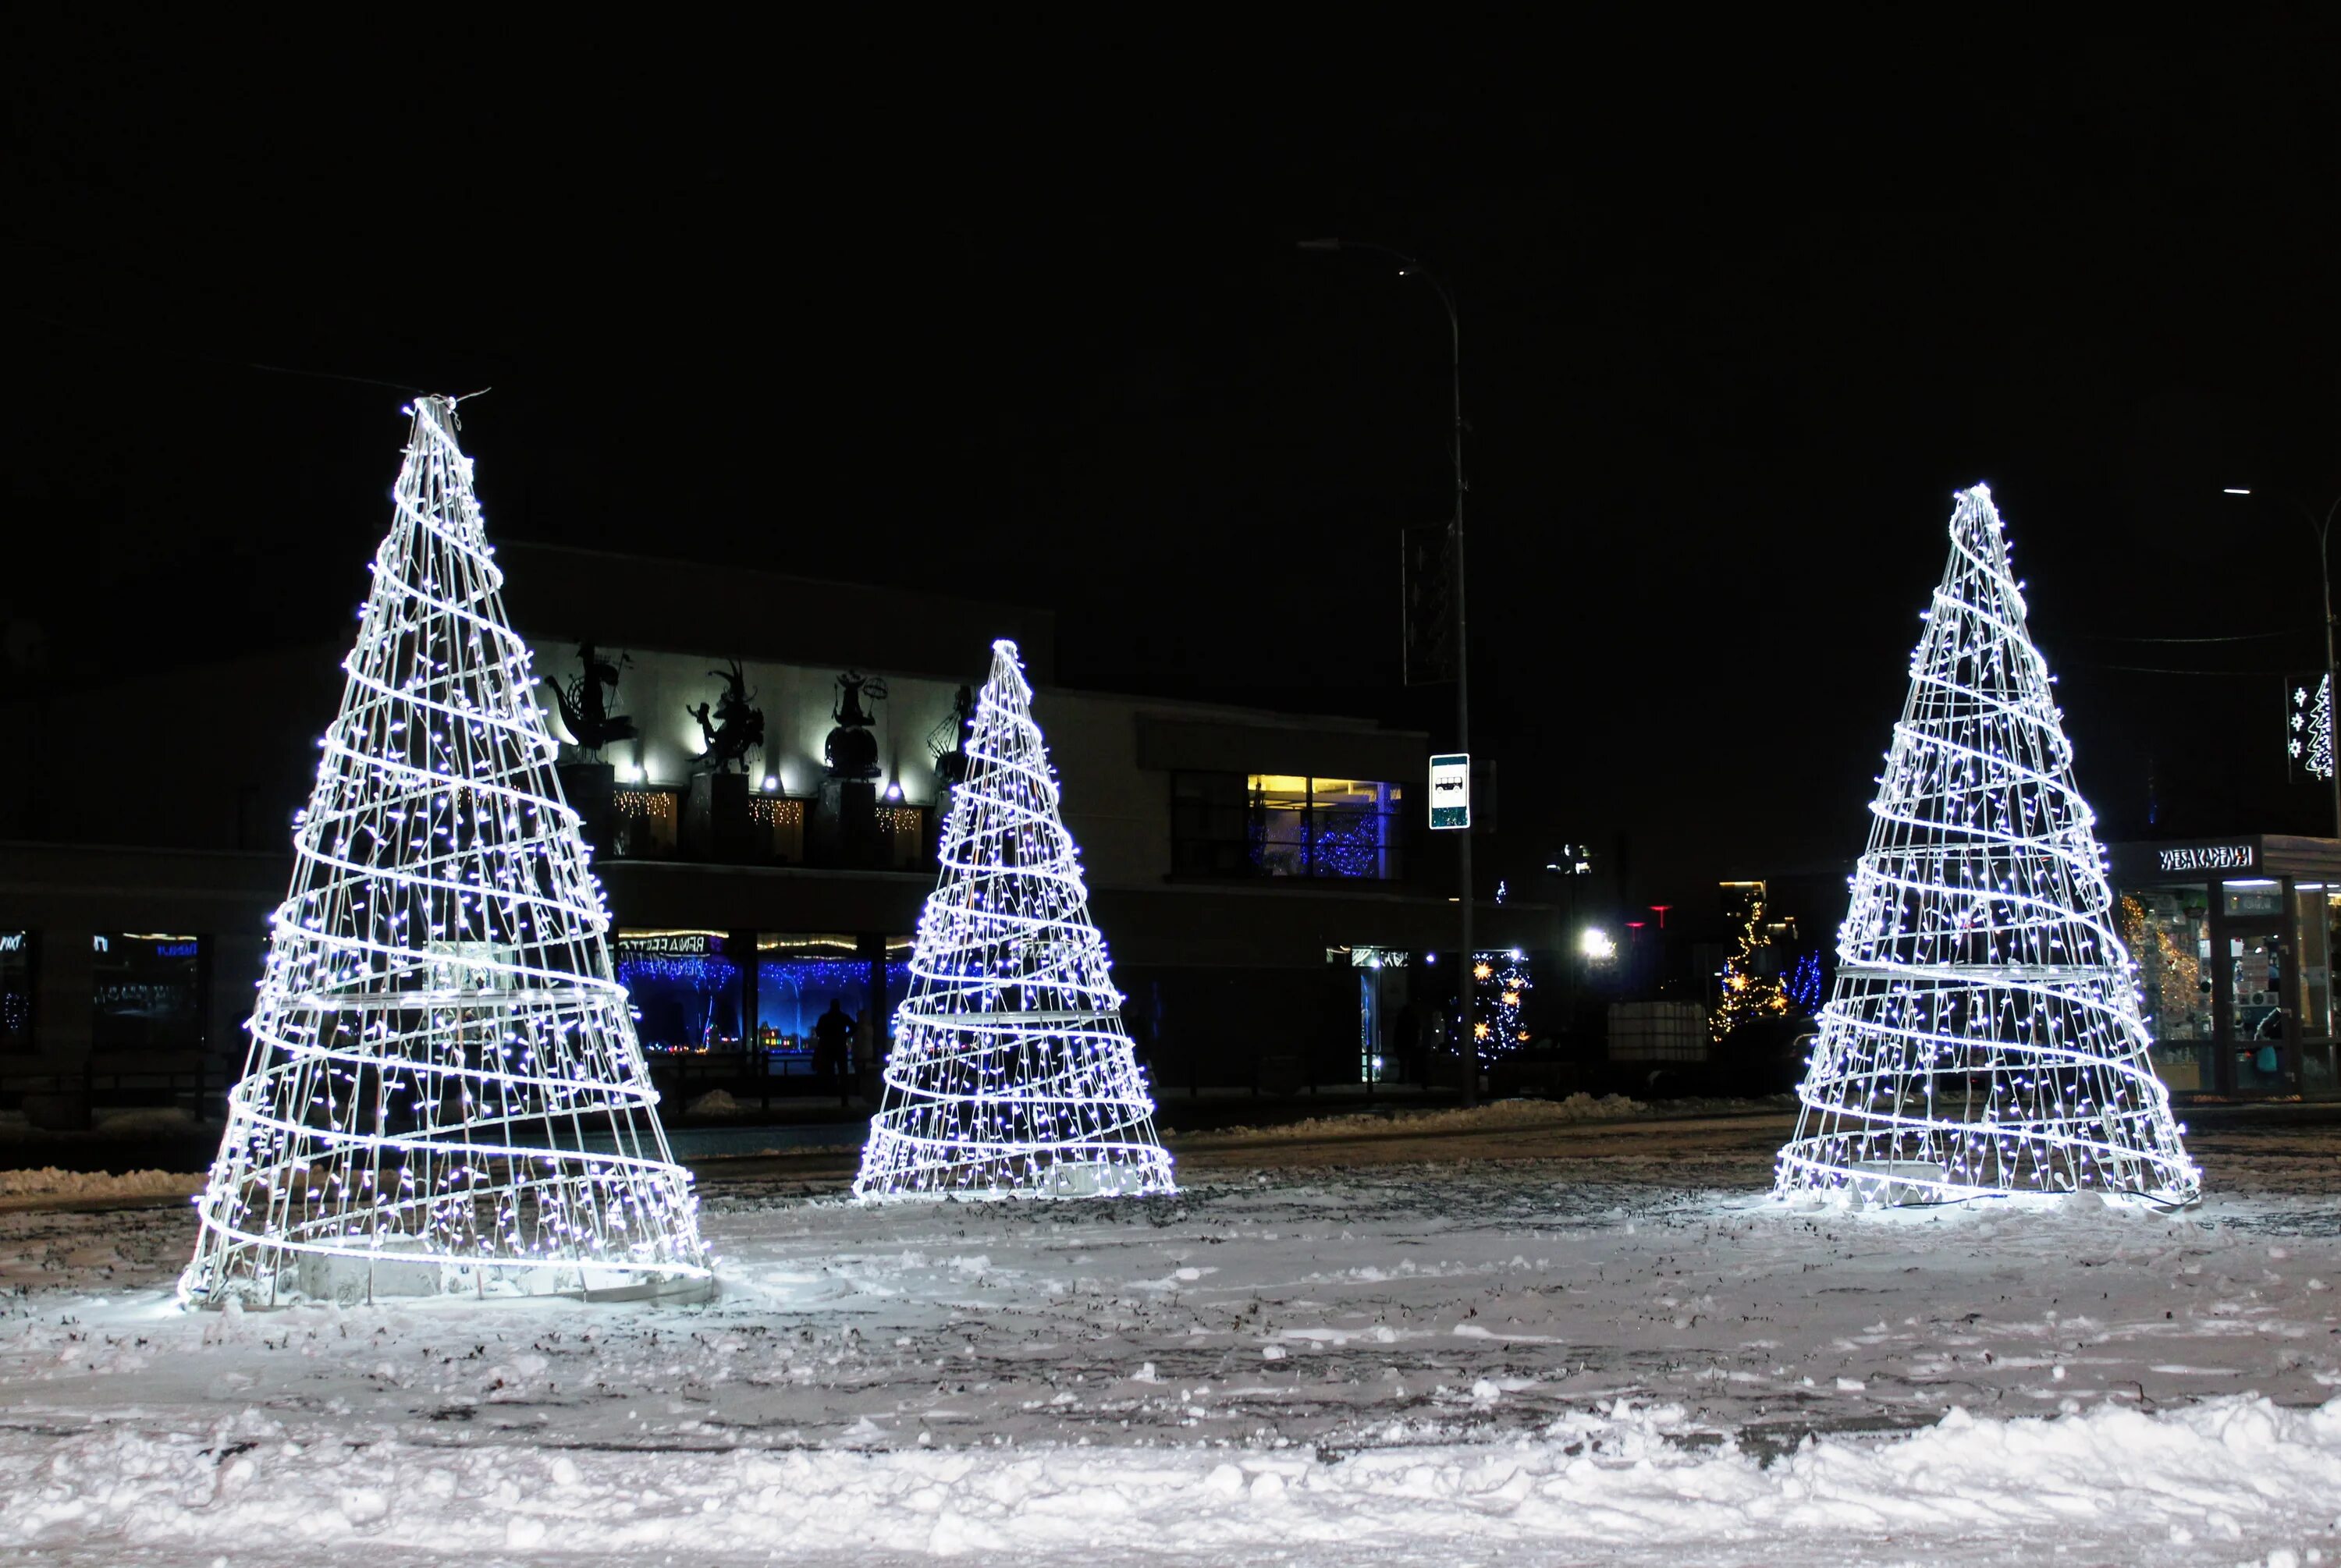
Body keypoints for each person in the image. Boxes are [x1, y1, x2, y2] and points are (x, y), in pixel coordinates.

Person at [812, 998, 855, 1081]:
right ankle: (843, 1091)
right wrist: (846, 1035)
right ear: (839, 1006)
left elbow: (818, 1031)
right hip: (840, 1047)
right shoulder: (844, 1017)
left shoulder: (824, 1018)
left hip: (827, 1048)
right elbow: (854, 1027)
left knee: (828, 1071)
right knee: (843, 1071)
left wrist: (825, 1037)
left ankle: (830, 1090)